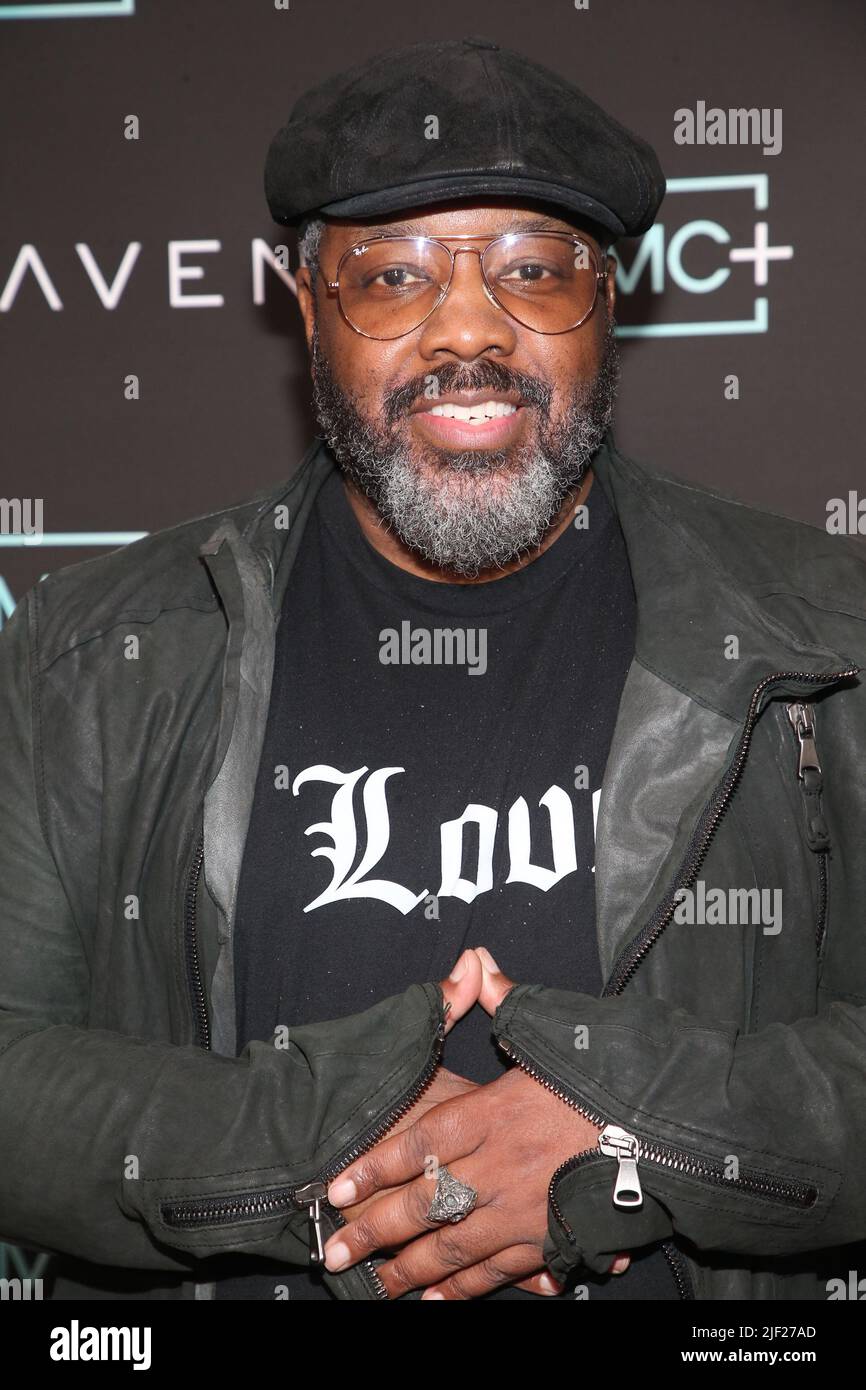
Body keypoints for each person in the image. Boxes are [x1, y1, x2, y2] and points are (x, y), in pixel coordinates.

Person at [1, 37, 864, 1305]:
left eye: (529, 270)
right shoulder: (98, 651)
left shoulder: (823, 633)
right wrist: (320, 1144)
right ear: (303, 304)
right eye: (393, 275)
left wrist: (625, 1138)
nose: (468, 330)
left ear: (609, 298)